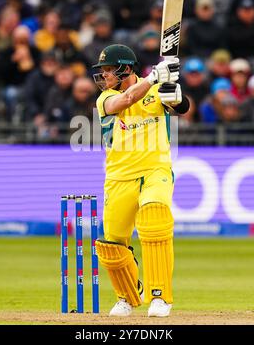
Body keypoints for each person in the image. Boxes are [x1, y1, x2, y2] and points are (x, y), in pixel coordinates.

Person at [93, 44, 190, 317]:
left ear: (125, 69)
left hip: (154, 170)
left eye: (109, 71)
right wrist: (153, 78)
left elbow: (182, 108)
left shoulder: (155, 91)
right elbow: (123, 102)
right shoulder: (105, 99)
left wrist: (175, 95)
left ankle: (159, 296)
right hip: (118, 177)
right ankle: (127, 296)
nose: (104, 77)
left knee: (154, 216)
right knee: (111, 244)